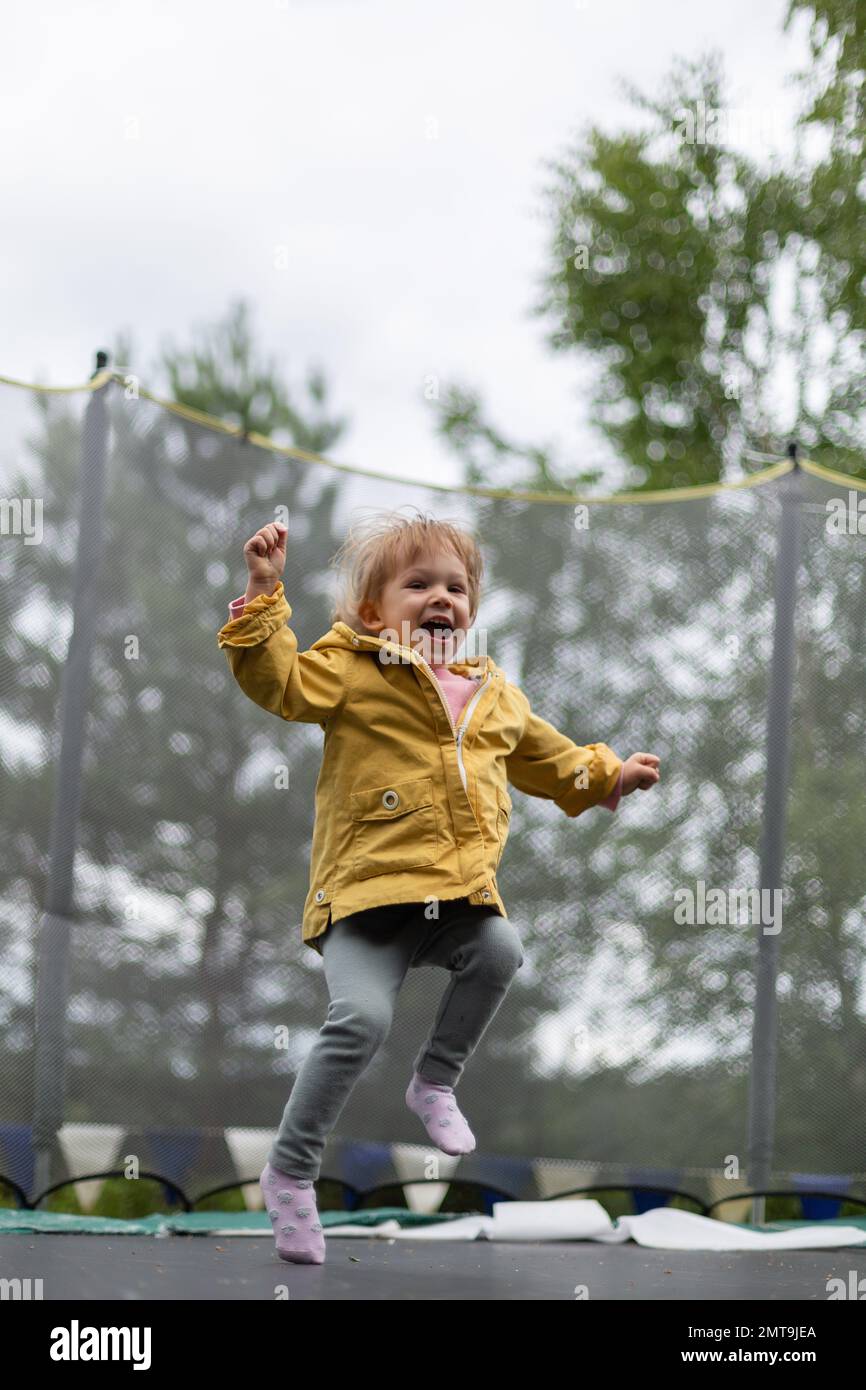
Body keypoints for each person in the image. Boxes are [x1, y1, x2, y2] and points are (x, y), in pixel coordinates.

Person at [217, 507, 661, 1263]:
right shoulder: (351, 672)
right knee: (359, 1022)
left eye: (456, 588)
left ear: (471, 612)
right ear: (373, 611)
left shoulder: (494, 698)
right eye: (417, 584)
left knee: (501, 951)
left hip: (454, 902)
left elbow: (551, 761)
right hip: (362, 906)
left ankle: (434, 1082)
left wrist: (607, 774)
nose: (440, 598)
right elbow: (280, 683)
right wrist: (263, 596)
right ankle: (291, 1173)